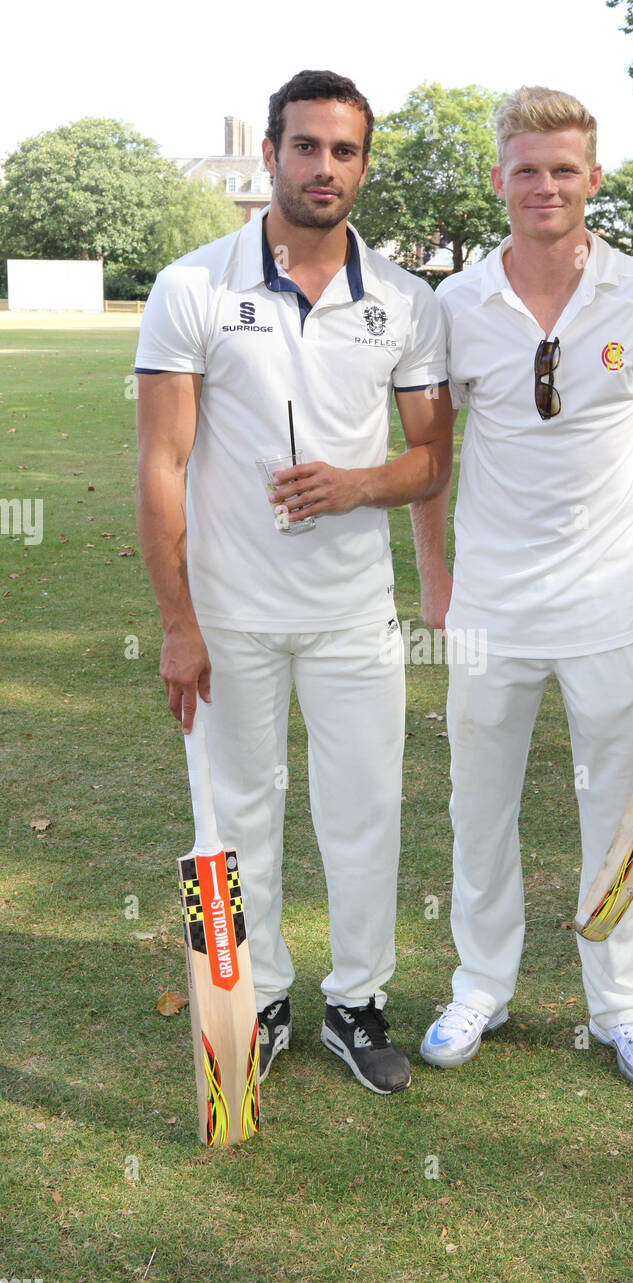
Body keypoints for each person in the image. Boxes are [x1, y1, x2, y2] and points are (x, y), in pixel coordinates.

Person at [411, 86, 633, 1092]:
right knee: (479, 807)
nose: (544, 185)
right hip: (488, 609)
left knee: (618, 814)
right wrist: (434, 574)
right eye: (526, 168)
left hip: (608, 607)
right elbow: (429, 453)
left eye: (563, 168)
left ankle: (619, 1009)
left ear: (591, 178)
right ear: (497, 180)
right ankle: (480, 984)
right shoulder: (454, 303)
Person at [135, 70, 451, 1096]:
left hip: (354, 613)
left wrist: (357, 484)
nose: (325, 167)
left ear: (363, 164)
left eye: (344, 151)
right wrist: (178, 625)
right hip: (229, 614)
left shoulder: (406, 300)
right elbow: (161, 466)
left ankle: (355, 1002)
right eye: (306, 146)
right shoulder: (192, 285)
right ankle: (259, 997)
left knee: (363, 808)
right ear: (270, 153)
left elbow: (430, 462)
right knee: (241, 810)